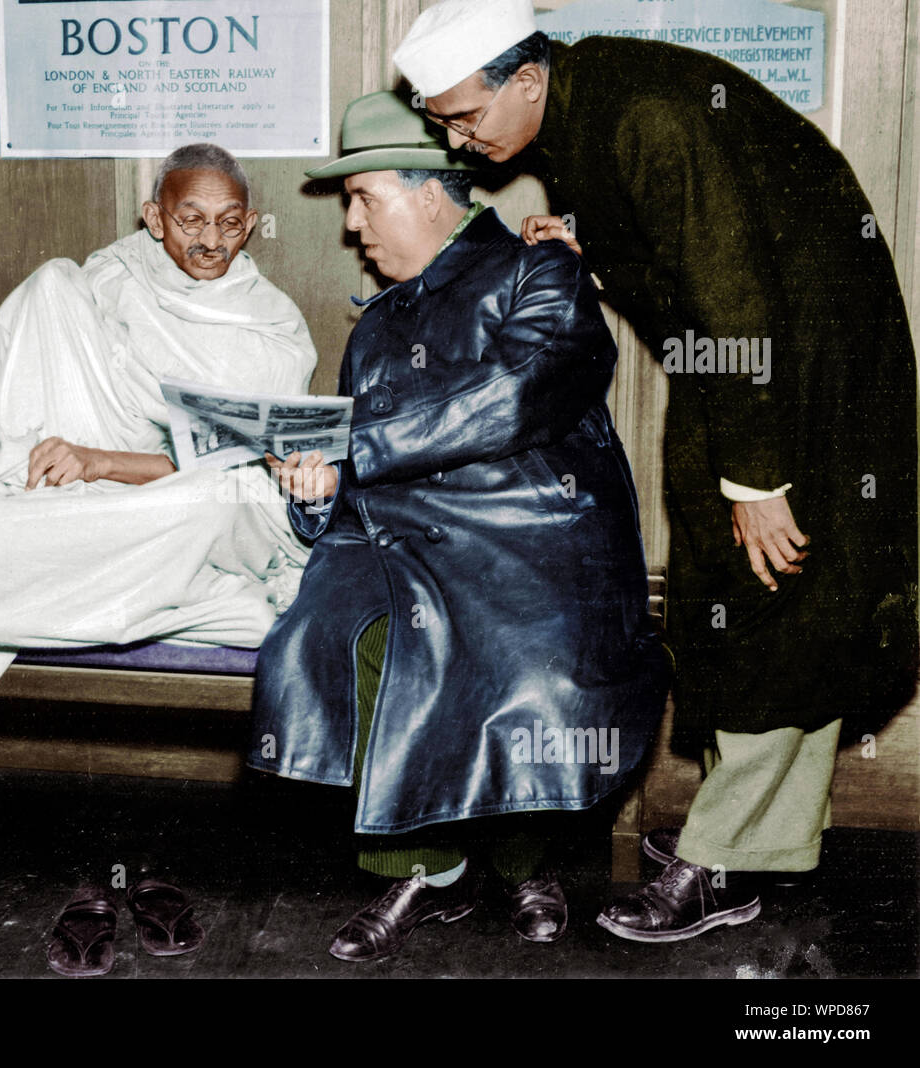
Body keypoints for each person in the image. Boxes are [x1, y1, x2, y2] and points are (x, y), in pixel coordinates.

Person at [393, 0, 918, 942]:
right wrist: (595, 250)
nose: (458, 142)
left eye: (464, 117)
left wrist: (759, 480)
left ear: (525, 77)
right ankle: (753, 845)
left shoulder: (647, 115)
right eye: (440, 125)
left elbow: (732, 289)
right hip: (746, 366)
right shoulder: (587, 100)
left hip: (793, 377)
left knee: (771, 593)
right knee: (762, 603)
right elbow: (682, 244)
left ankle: (721, 863)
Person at [250, 90, 667, 962]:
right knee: (337, 632)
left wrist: (359, 448)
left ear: (431, 191)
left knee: (525, 648)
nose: (352, 226)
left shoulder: (537, 271)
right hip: (396, 535)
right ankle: (421, 867)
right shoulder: (376, 326)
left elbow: (520, 393)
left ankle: (522, 860)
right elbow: (346, 478)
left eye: (364, 198)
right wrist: (314, 490)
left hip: (535, 531)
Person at [0, 142, 316, 975]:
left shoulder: (270, 326)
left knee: (217, 498)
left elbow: (245, 467)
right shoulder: (108, 279)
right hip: (86, 502)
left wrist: (101, 464)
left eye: (229, 223)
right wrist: (69, 463)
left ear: (250, 226)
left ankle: (59, 552)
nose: (209, 240)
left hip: (174, 502)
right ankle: (56, 532)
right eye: (189, 219)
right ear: (152, 217)